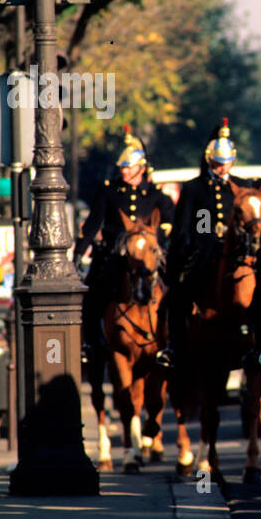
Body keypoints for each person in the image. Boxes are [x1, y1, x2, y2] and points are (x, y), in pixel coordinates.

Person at [156, 118, 253, 370]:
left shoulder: (242, 186)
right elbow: (185, 229)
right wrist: (177, 264)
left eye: (227, 163)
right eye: (218, 164)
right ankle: (175, 347)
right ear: (210, 160)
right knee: (178, 298)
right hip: (205, 254)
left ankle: (260, 345)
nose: (223, 169)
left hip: (238, 255)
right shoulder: (195, 188)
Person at [74, 127, 173, 365]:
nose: (123, 171)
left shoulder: (157, 196)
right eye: (122, 167)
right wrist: (78, 254)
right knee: (92, 294)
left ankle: (169, 344)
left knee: (174, 292)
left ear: (141, 168)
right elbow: (92, 225)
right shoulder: (109, 191)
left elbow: (168, 226)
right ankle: (89, 343)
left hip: (148, 256)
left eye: (128, 167)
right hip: (114, 256)